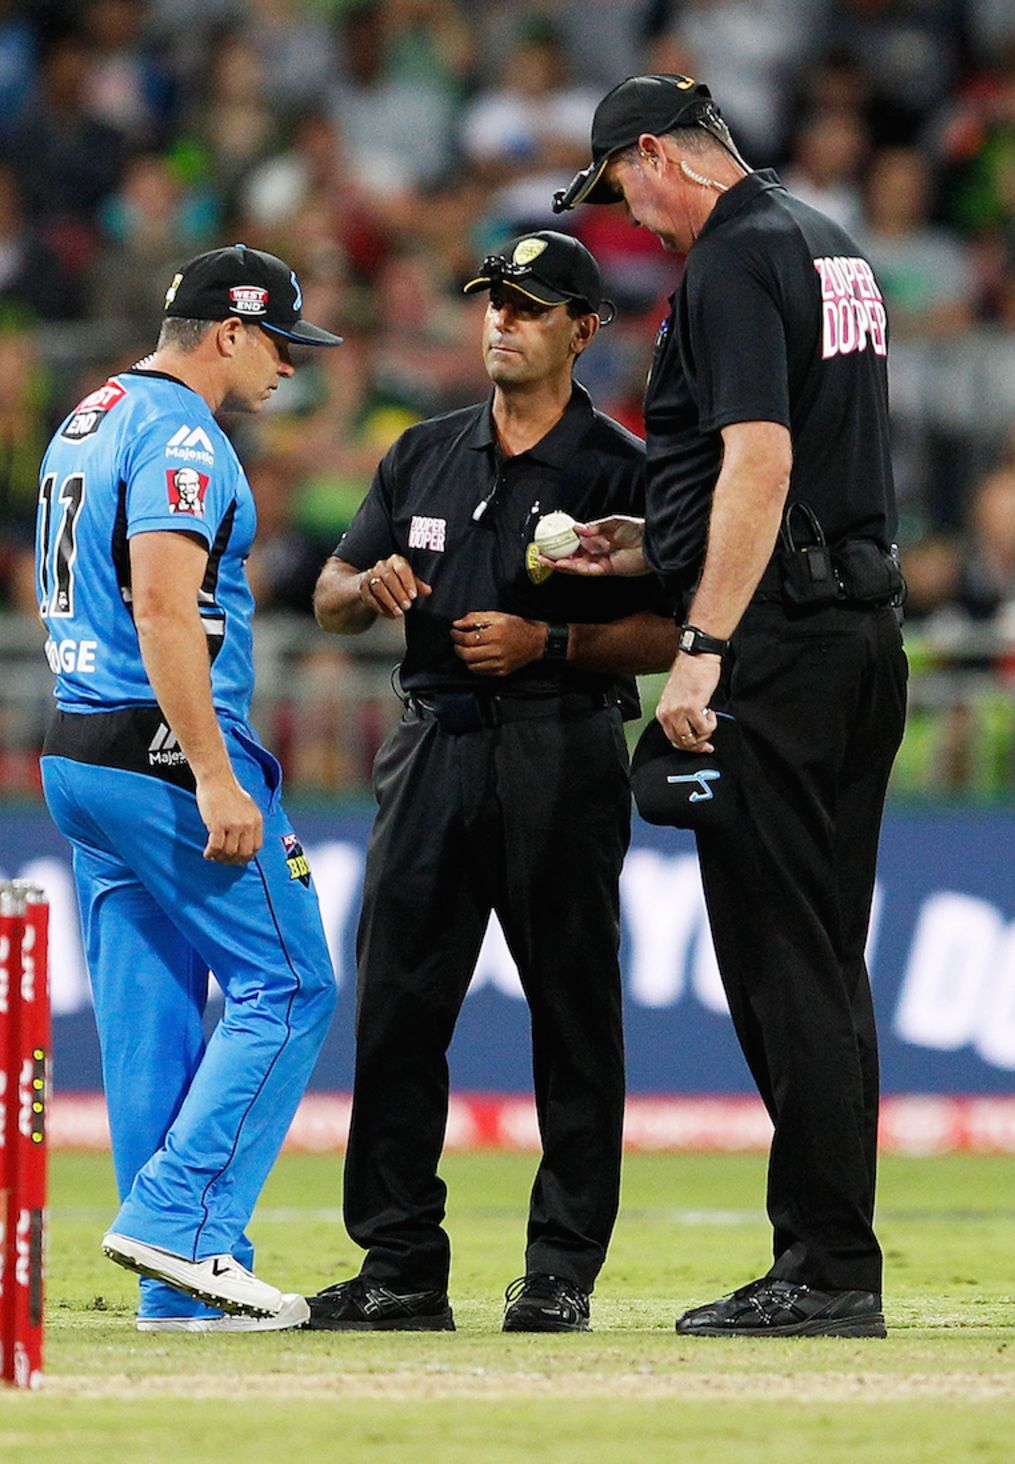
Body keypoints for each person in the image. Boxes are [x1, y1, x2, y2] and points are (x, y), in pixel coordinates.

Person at [552, 74, 907, 1338]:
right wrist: (650, 541)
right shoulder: (828, 242)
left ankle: (824, 1268)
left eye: (617, 189)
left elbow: (762, 458)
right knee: (824, 959)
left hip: (781, 651)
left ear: (661, 154)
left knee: (779, 964)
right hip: (861, 633)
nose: (624, 220)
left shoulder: (733, 260)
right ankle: (830, 1254)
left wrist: (698, 649)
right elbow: (789, 473)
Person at [309, 232, 676, 1333]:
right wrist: (357, 584)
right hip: (429, 746)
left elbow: (676, 628)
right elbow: (327, 590)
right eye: (491, 303)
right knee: (396, 1009)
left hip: (558, 744)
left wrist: (547, 648)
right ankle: (399, 1268)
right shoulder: (421, 450)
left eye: (527, 305)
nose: (501, 321)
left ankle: (559, 1270)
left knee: (571, 1010)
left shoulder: (623, 469)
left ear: (582, 327)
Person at [36, 245, 341, 1332]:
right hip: (164, 759)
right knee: (294, 984)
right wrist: (214, 771)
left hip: (77, 745)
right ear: (228, 331)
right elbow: (166, 610)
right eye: (280, 344)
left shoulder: (90, 414)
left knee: (150, 1022)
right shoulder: (181, 435)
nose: (289, 369)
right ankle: (184, 1227)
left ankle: (178, 1291)